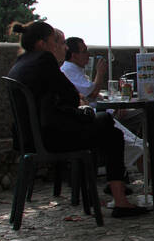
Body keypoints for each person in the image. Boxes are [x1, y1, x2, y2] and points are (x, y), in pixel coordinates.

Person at [6, 21, 145, 217]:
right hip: (51, 137)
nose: (59, 46)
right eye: (55, 41)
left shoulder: (19, 64)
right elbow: (70, 96)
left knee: (106, 125)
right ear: (41, 43)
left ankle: (113, 194)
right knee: (110, 129)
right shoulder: (45, 60)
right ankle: (120, 200)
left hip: (28, 138)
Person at [60, 36, 147, 176]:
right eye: (84, 51)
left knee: (140, 142)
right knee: (138, 143)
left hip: (101, 114)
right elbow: (92, 93)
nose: (88, 55)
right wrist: (100, 73)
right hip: (94, 120)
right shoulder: (69, 70)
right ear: (74, 55)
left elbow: (90, 94)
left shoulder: (75, 70)